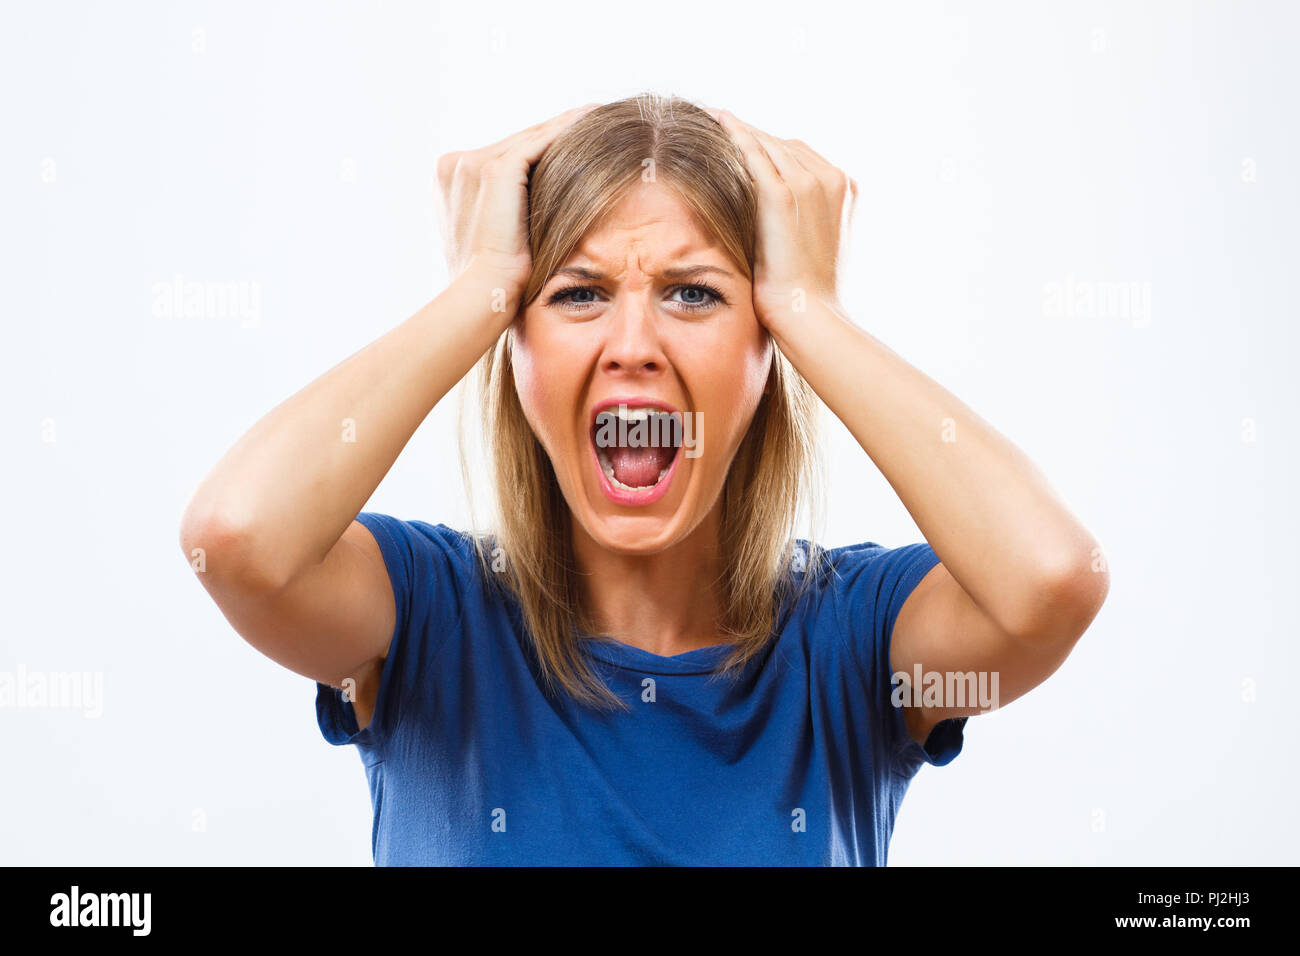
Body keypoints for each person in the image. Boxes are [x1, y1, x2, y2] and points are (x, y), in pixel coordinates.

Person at [180, 93, 1109, 865]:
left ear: (766, 352)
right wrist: (475, 287)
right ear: (516, 347)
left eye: (694, 293)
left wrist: (811, 307)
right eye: (577, 294)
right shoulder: (428, 620)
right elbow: (234, 540)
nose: (633, 347)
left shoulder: (856, 645)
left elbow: (1052, 582)